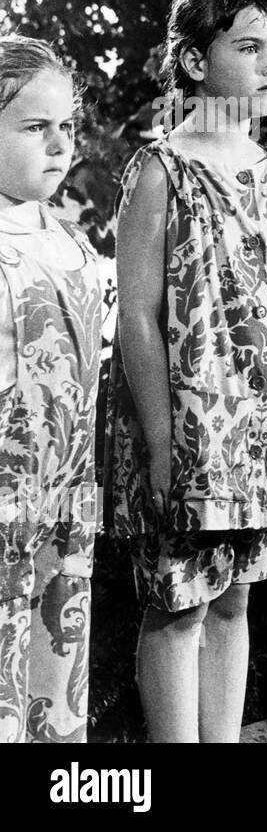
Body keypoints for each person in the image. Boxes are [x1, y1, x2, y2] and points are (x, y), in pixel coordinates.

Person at [105, 0, 267, 742]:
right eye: (247, 47)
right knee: (179, 602)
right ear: (196, 62)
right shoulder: (160, 169)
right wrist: (164, 443)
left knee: (235, 598)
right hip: (188, 425)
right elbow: (136, 315)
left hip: (261, 429)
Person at [0, 36, 100, 743]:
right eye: (35, 126)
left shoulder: (73, 245)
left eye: (67, 125)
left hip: (65, 503)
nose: (59, 142)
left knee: (54, 680)